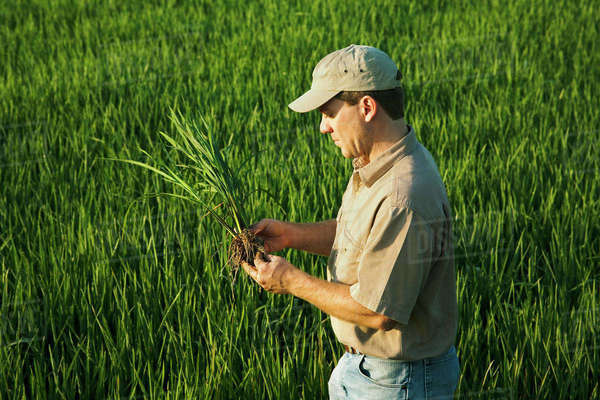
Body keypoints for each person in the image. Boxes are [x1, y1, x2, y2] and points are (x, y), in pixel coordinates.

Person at [241, 44, 459, 399]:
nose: (323, 127)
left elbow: (377, 311)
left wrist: (291, 280)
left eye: (328, 113)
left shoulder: (404, 196)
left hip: (396, 382)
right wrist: (292, 235)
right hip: (370, 370)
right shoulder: (375, 164)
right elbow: (362, 240)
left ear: (367, 108)